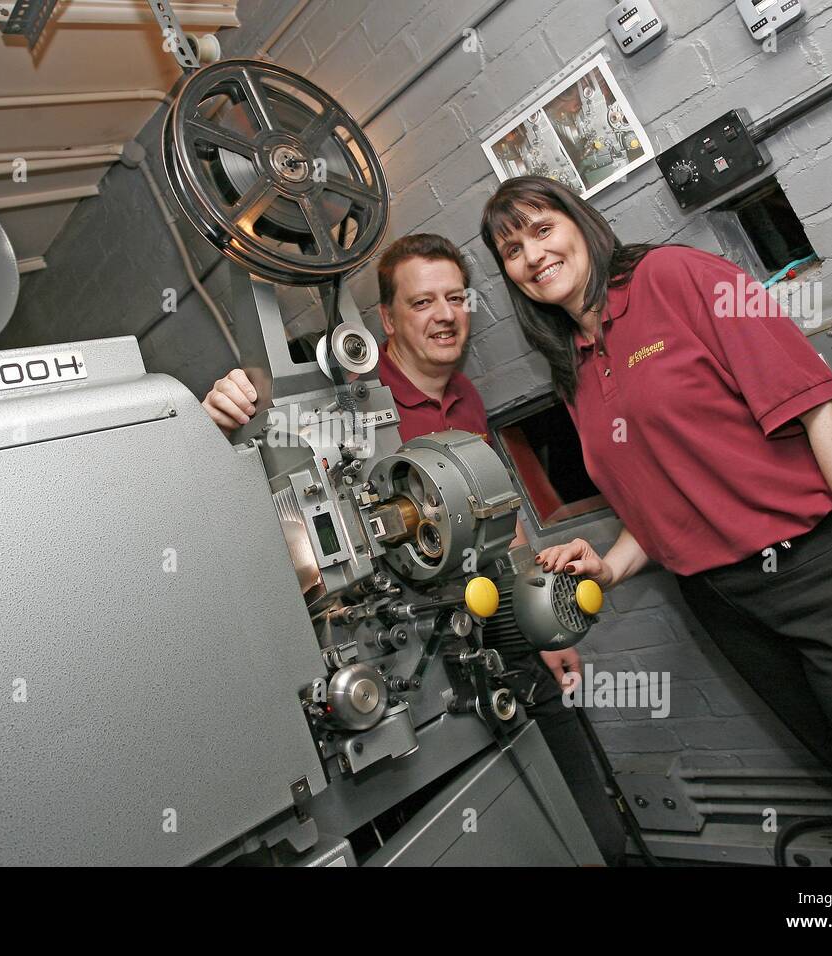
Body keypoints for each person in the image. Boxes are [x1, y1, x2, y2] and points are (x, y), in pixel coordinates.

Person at [480, 174, 832, 866]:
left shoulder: (676, 276)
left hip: (830, 580)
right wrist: (611, 564)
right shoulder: (576, 366)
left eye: (541, 229)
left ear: (580, 223)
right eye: (510, 250)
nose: (531, 255)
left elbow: (826, 411)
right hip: (729, 608)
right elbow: (661, 499)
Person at [201, 233, 629, 866]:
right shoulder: (341, 398)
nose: (445, 314)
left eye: (456, 298)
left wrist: (541, 629)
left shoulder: (464, 396)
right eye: (423, 301)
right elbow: (258, 459)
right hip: (406, 666)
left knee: (589, 823)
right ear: (388, 320)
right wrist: (223, 418)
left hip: (492, 625)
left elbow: (496, 515)